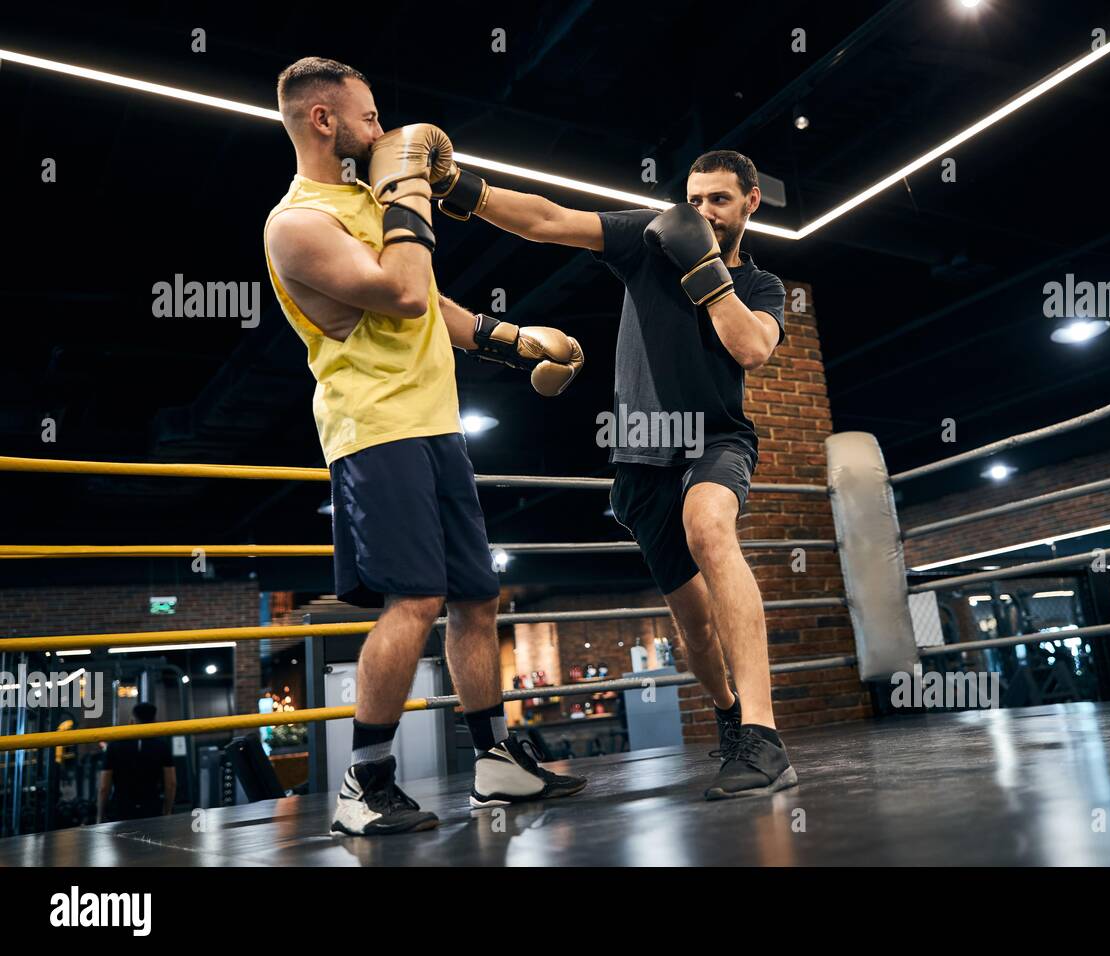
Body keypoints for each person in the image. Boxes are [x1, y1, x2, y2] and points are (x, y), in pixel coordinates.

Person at [263, 57, 588, 836]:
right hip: (374, 430)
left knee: (478, 597)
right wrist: (409, 183)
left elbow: (430, 307)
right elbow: (403, 290)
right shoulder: (298, 223)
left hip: (435, 425)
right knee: (416, 599)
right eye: (369, 117)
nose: (381, 131)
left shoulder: (360, 203)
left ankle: (496, 763)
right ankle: (363, 784)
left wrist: (515, 342)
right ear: (323, 120)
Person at [432, 148, 796, 798]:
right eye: (696, 199)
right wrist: (461, 187)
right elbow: (547, 220)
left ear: (750, 202)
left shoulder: (762, 286)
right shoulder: (646, 240)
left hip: (715, 437)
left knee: (710, 529)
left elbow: (753, 347)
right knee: (694, 627)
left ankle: (765, 738)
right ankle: (731, 717)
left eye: (719, 199)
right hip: (640, 450)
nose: (704, 211)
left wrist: (707, 271)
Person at [97, 703, 176, 823]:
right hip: (151, 809)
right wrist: (167, 811)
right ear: (155, 721)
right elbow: (171, 784)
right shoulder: (162, 745)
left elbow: (104, 787)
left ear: (131, 720)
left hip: (121, 808)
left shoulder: (114, 744)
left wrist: (100, 815)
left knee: (122, 842)